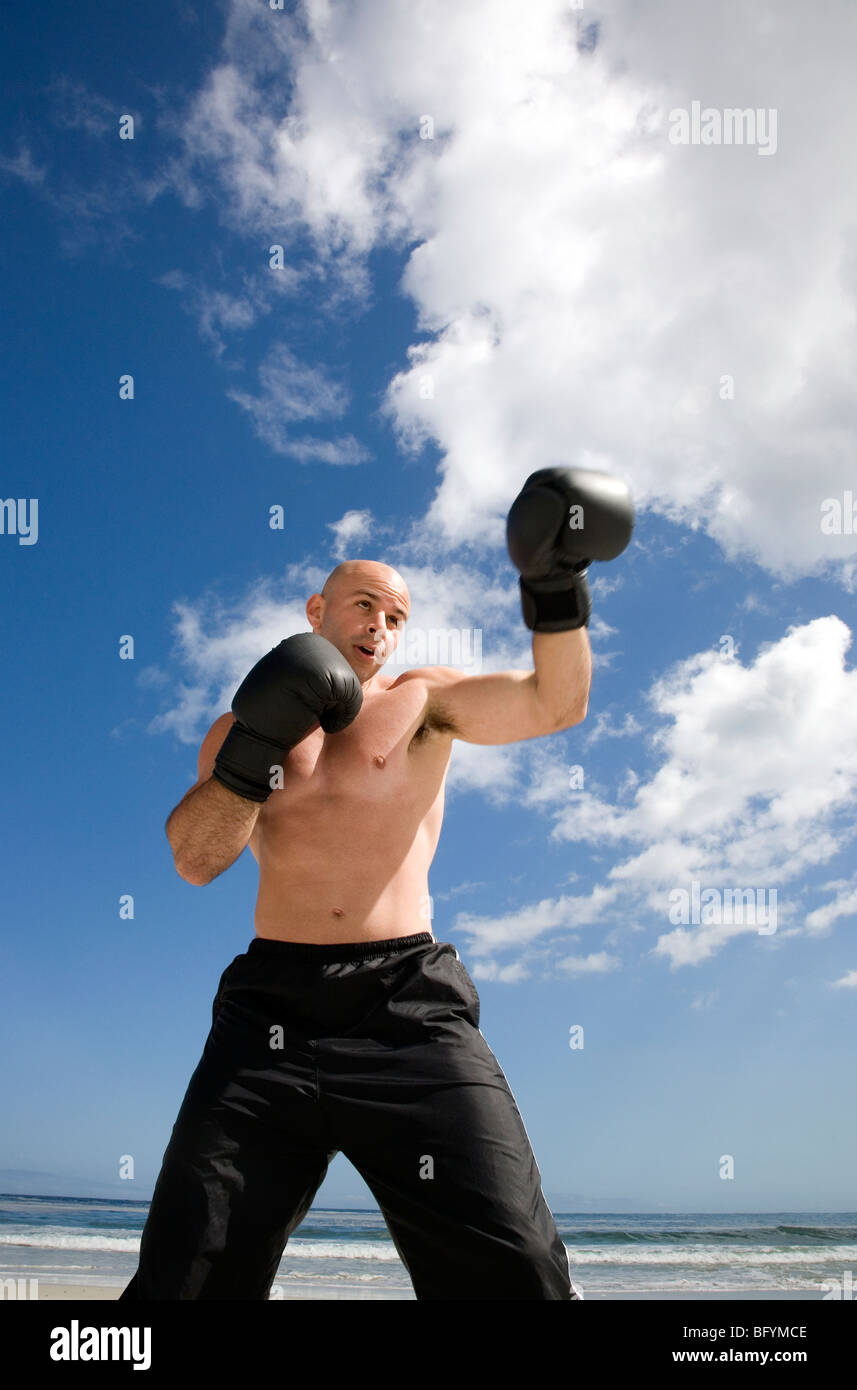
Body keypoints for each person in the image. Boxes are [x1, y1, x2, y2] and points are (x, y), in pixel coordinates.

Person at [119, 467, 633, 1301]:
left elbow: (554, 703)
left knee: (517, 1268)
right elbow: (195, 857)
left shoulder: (423, 702)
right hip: (268, 1017)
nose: (381, 625)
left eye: (396, 615)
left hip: (406, 1005)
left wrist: (553, 587)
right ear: (316, 613)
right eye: (365, 604)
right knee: (188, 1271)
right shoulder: (241, 724)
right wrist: (255, 749)